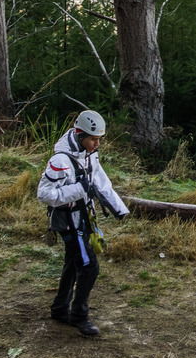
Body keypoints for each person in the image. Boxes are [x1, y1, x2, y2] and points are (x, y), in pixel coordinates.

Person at [37, 109, 129, 337]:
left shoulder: (89, 153)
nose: (97, 144)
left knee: (73, 262)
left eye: (99, 139)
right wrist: (80, 189)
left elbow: (100, 180)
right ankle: (79, 316)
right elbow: (44, 194)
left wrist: (119, 209)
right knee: (89, 266)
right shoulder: (60, 160)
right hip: (68, 221)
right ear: (80, 135)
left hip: (84, 217)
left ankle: (60, 309)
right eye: (93, 139)